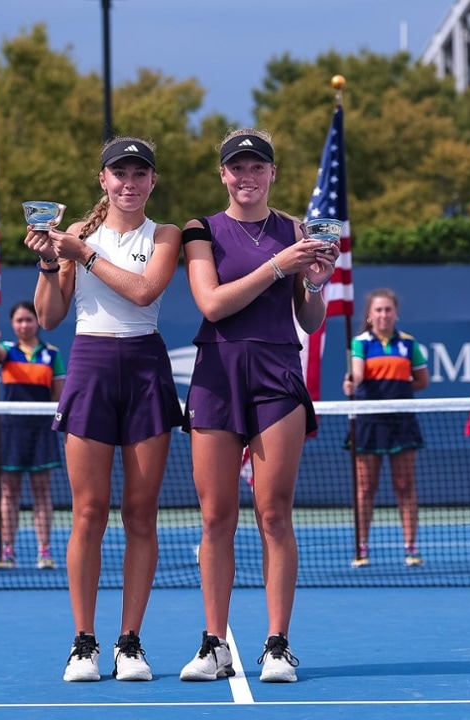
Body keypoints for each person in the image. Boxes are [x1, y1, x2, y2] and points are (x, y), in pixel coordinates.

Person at [179, 128, 336, 684]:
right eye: (236, 167)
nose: (246, 176)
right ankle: (214, 643)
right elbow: (213, 305)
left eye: (257, 166)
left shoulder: (298, 232)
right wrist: (278, 266)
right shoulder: (200, 231)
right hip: (216, 377)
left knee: (274, 514)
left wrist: (315, 283)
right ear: (222, 174)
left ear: (272, 173)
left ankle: (277, 644)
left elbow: (311, 320)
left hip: (277, 376)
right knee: (216, 516)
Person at [26, 137, 184, 683]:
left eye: (140, 174)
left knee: (141, 513)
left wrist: (81, 253)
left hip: (145, 368)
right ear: (104, 181)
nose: (130, 182)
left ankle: (130, 643)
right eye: (120, 173)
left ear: (152, 182)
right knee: (88, 512)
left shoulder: (166, 235)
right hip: (90, 365)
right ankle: (83, 643)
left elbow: (145, 292)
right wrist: (50, 263)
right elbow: (48, 318)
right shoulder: (73, 239)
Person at [343, 288, 429, 569]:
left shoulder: (408, 344)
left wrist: (397, 394)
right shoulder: (360, 343)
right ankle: (362, 547)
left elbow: (421, 381)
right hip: (368, 421)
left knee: (405, 486)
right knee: (365, 488)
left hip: (401, 421)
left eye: (388, 310)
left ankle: (411, 547)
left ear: (395, 313)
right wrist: (351, 381)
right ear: (370, 315)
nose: (383, 315)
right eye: (378, 310)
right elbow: (357, 374)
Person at [0, 300, 65, 570]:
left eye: (28, 320)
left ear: (37, 322)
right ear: (12, 324)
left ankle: (44, 551)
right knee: (9, 491)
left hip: (41, 430)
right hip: (10, 429)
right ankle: (7, 550)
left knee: (42, 491)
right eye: (19, 320)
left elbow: (59, 396)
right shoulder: (6, 351)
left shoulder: (51, 355)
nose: (24, 325)